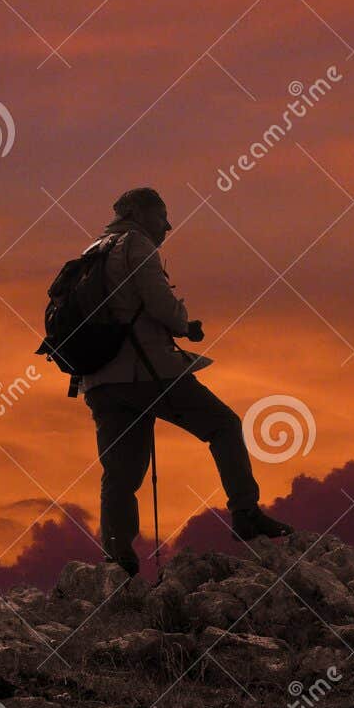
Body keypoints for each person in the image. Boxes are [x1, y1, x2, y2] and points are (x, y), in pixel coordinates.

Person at [80, 187, 293, 574]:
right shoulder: (137, 246)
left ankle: (117, 559)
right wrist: (184, 324)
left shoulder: (92, 252)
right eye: (162, 216)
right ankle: (245, 513)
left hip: (99, 381)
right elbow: (161, 305)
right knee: (224, 425)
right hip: (148, 371)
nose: (168, 226)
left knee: (121, 474)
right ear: (141, 214)